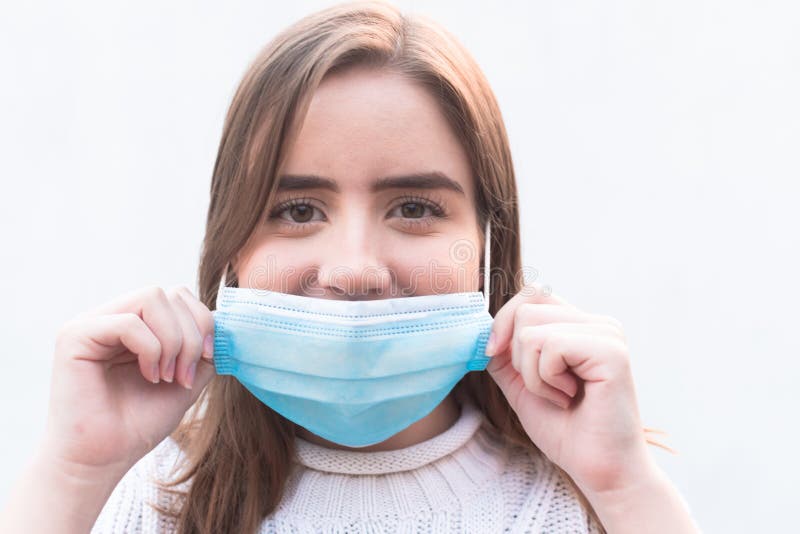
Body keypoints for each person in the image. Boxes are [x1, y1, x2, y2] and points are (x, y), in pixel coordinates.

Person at [0, 1, 701, 532]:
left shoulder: (590, 499)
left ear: (491, 247)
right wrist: (72, 474)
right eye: (298, 210)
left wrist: (623, 489)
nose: (355, 268)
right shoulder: (148, 501)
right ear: (231, 248)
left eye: (416, 207)